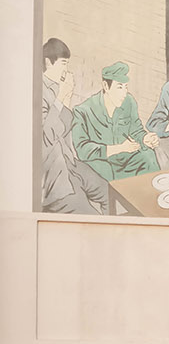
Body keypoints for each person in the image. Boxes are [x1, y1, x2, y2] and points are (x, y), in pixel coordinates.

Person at [39, 38, 108, 214]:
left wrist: (65, 98)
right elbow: (46, 136)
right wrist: (62, 98)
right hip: (53, 177)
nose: (66, 70)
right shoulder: (37, 90)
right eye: (63, 64)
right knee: (92, 217)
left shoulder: (57, 88)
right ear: (48, 63)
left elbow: (65, 127)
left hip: (70, 163)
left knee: (109, 193)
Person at [71, 62, 160, 181]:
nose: (124, 93)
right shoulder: (83, 111)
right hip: (102, 162)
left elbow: (136, 129)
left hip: (124, 159)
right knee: (105, 172)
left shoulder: (129, 101)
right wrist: (119, 148)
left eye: (126, 87)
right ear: (106, 86)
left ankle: (153, 195)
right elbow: (82, 150)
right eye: (119, 87)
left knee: (148, 156)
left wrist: (145, 138)